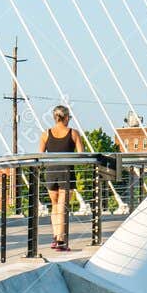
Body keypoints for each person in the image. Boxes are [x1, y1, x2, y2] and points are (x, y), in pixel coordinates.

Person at [39, 105, 83, 253]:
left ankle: (55, 236)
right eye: (69, 118)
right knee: (63, 207)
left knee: (55, 205)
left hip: (51, 172)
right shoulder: (73, 133)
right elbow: (81, 155)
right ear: (65, 117)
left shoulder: (46, 134)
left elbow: (40, 155)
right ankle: (61, 241)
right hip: (66, 173)